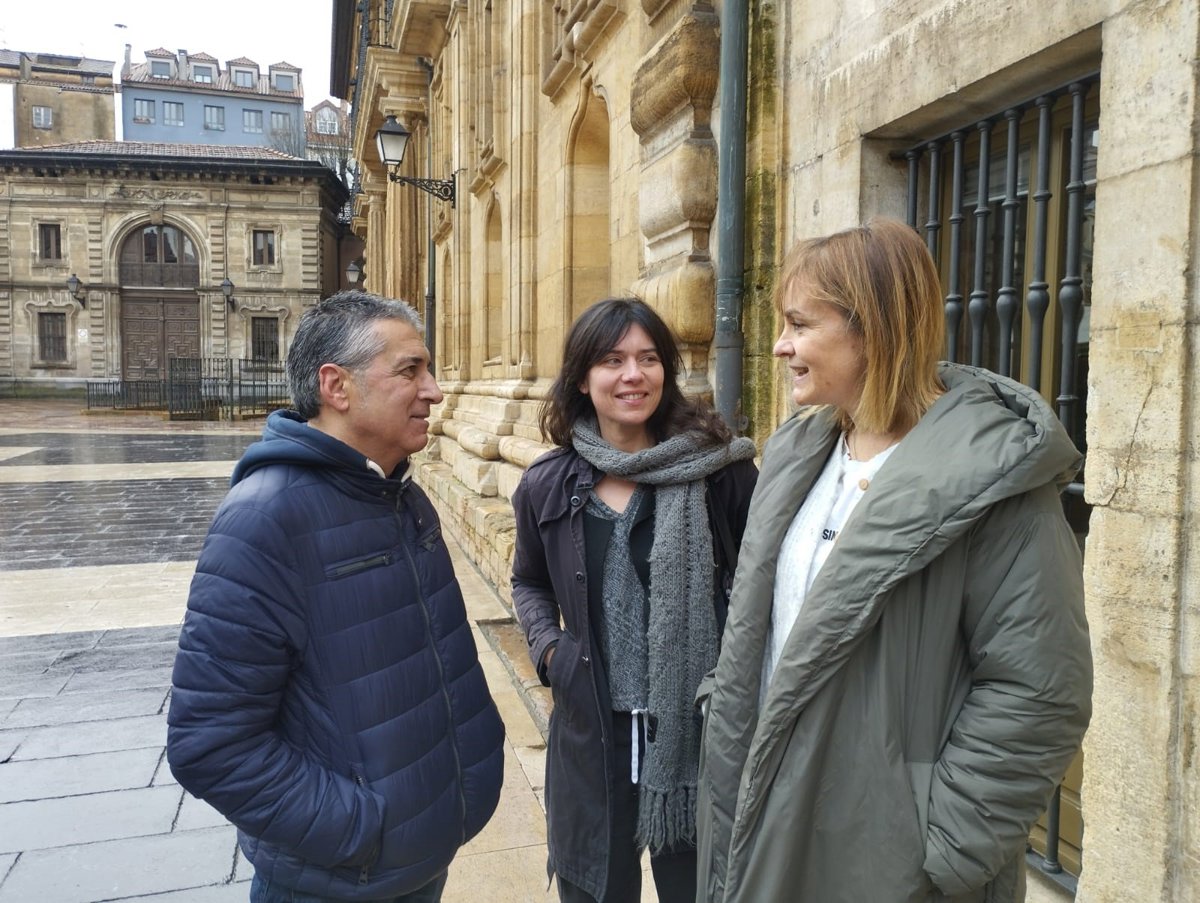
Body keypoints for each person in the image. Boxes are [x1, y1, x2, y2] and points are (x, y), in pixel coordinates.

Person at [695, 219, 1093, 903]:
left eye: (800, 324)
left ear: (872, 328)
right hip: (769, 824)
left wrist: (941, 846)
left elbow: (1040, 689)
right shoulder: (797, 454)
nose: (780, 344)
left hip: (883, 862)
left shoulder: (992, 481)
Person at [167, 291, 505, 903]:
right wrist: (360, 831)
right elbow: (210, 744)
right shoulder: (265, 519)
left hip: (421, 856)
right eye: (410, 370)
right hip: (338, 880)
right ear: (336, 386)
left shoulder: (402, 497)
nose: (433, 391)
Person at [511, 298, 758, 903]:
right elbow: (529, 582)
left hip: (698, 729)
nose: (633, 375)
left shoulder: (719, 474)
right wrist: (550, 653)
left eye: (648, 359)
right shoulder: (549, 484)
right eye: (612, 360)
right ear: (581, 378)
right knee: (595, 888)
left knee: (700, 889)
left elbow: (761, 585)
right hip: (594, 728)